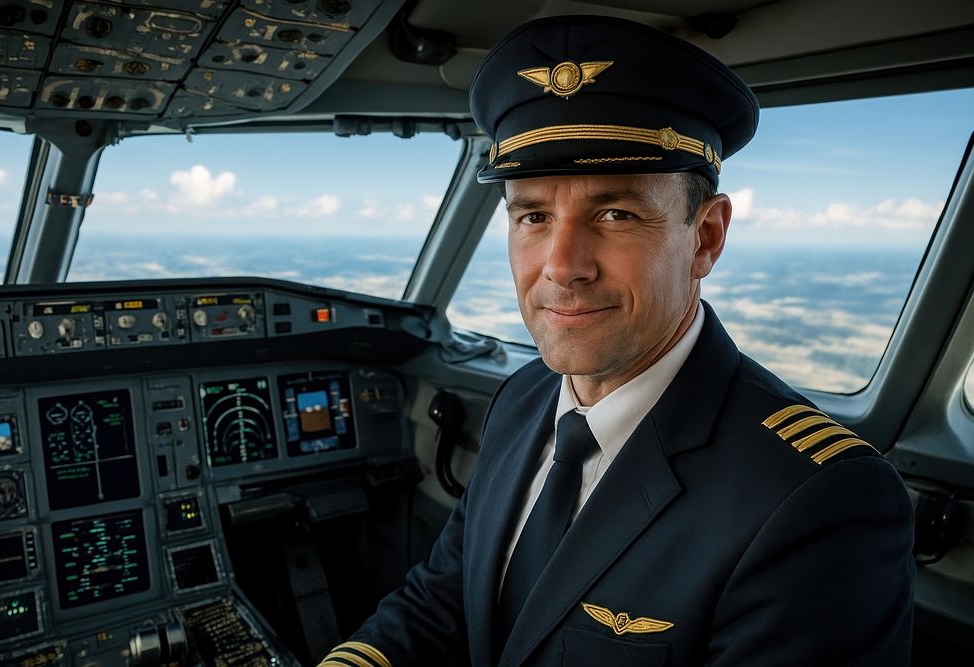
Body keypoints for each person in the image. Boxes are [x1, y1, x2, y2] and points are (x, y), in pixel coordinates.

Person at [318, 15, 914, 667]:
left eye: (615, 213)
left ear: (706, 237)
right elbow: (445, 600)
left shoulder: (816, 497)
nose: (561, 265)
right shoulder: (523, 399)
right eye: (533, 215)